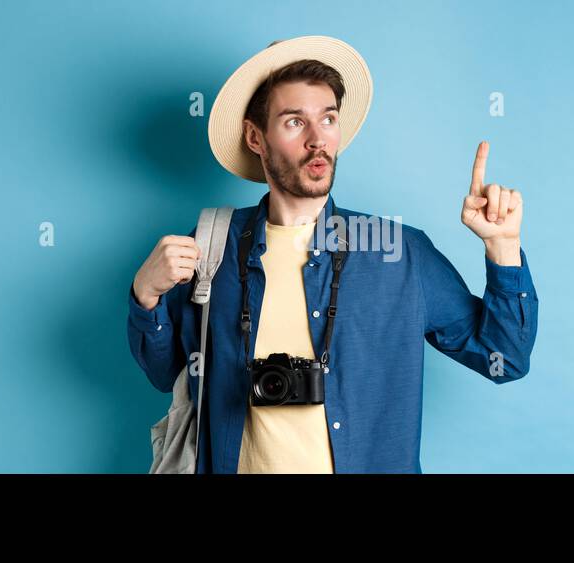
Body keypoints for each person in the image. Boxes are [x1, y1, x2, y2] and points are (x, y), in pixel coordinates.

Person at [128, 36, 538, 473]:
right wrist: (145, 296)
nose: (316, 139)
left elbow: (504, 359)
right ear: (255, 137)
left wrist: (502, 247)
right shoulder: (213, 244)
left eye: (328, 119)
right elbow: (165, 374)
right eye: (293, 122)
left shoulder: (399, 253)